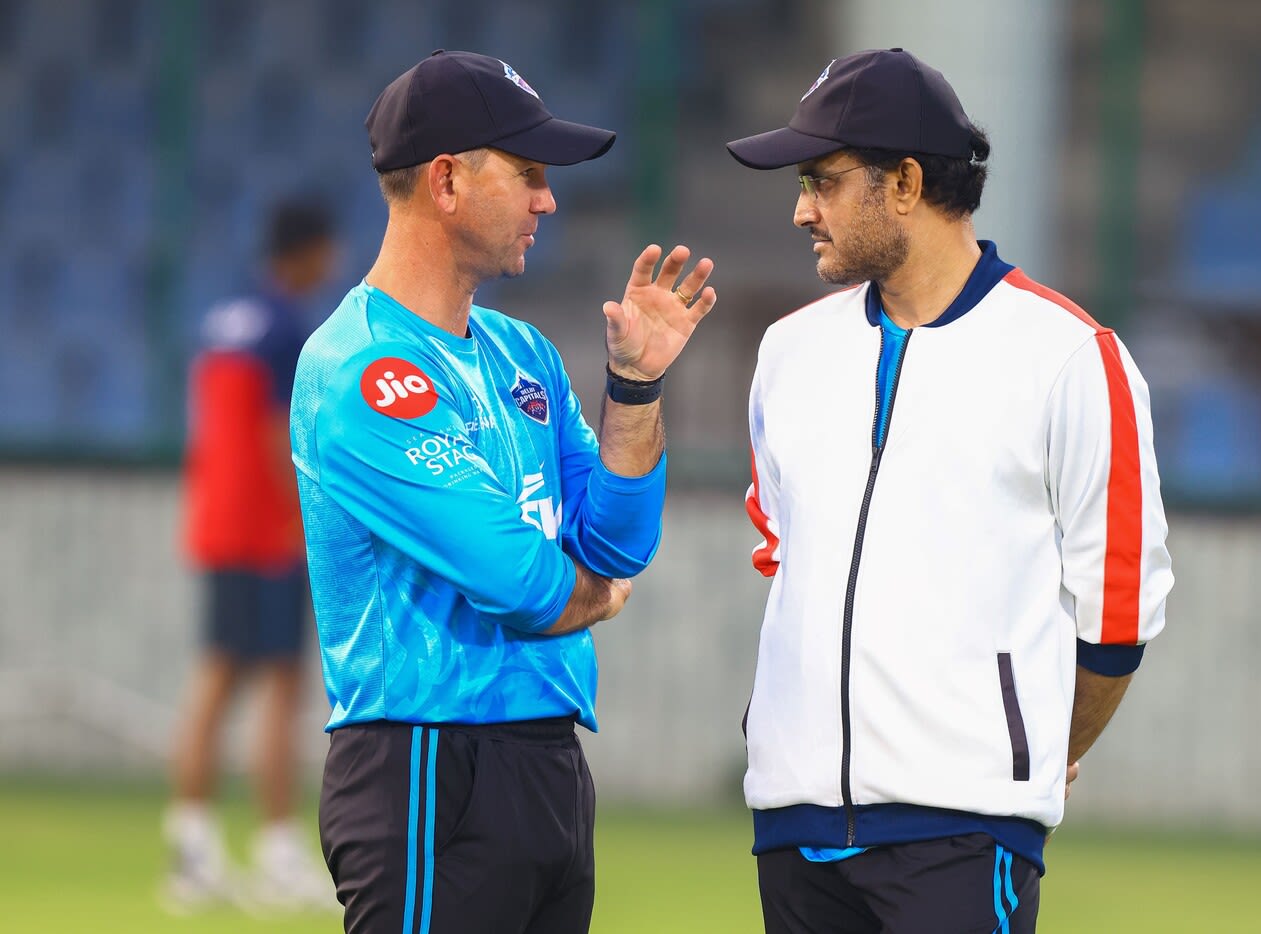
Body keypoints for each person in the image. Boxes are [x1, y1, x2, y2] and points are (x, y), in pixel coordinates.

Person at [727, 49, 1173, 933]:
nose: (800, 208)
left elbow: (1117, 611)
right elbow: (783, 554)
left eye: (821, 179)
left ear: (904, 181)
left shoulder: (1073, 359)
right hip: (790, 828)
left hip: (964, 835)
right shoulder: (787, 352)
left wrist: (1036, 751)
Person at [290, 50, 716, 933]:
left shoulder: (524, 354)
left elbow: (618, 540)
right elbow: (520, 581)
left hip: (550, 762)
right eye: (526, 174)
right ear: (444, 181)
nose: (547, 199)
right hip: (427, 764)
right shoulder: (362, 371)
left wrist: (634, 389)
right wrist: (598, 598)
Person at [168, 198, 340, 911]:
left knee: (215, 679)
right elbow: (279, 437)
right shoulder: (284, 328)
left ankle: (192, 845)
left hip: (216, 523)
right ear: (307, 251)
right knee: (281, 688)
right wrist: (313, 518)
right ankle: (277, 851)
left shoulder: (223, 321)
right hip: (268, 534)